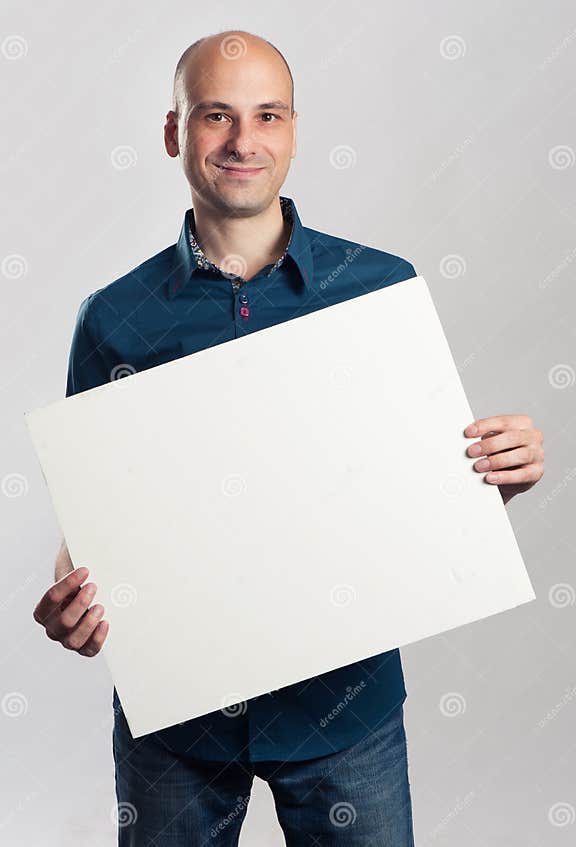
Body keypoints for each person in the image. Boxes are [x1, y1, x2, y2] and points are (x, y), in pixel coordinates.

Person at [32, 29, 545, 846]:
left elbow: (422, 483)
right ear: (174, 134)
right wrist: (73, 599)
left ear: (295, 132)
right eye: (215, 116)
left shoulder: (379, 290)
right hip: (178, 724)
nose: (243, 140)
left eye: (267, 115)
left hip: (346, 711)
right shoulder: (114, 317)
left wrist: (498, 476)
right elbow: (91, 517)